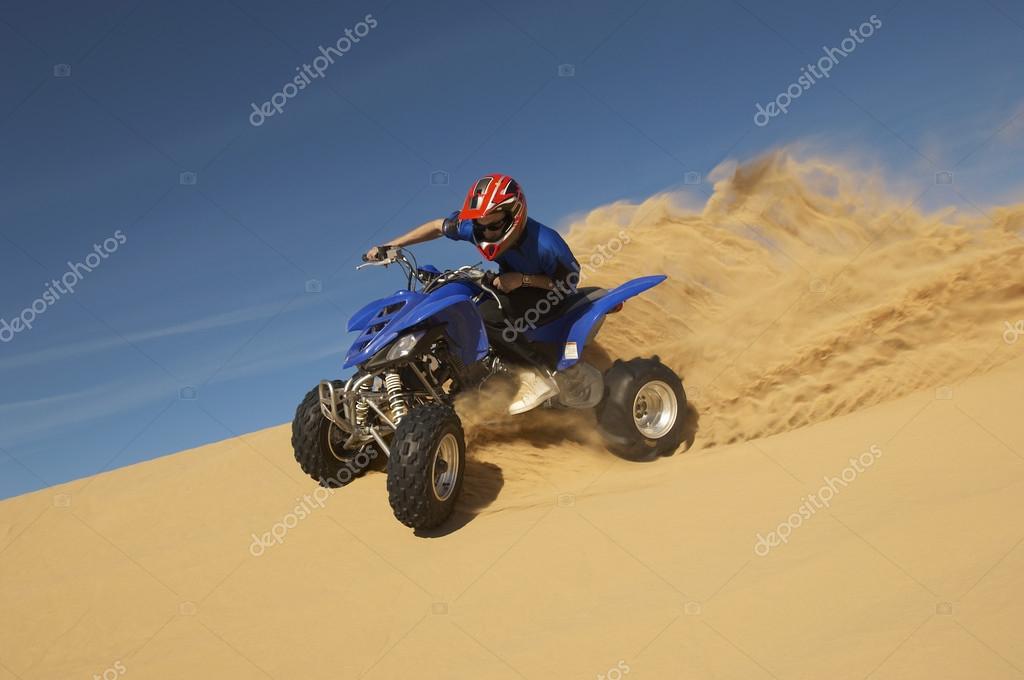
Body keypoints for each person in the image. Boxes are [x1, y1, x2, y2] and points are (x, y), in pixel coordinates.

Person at [365, 173, 580, 414]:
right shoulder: (477, 227)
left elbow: (569, 283)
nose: (486, 232)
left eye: (493, 225)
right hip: (507, 284)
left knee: (486, 315)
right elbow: (438, 226)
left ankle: (538, 375)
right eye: (480, 225)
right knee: (460, 310)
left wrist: (523, 279)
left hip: (548, 293)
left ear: (514, 215)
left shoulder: (546, 243)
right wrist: (393, 245)